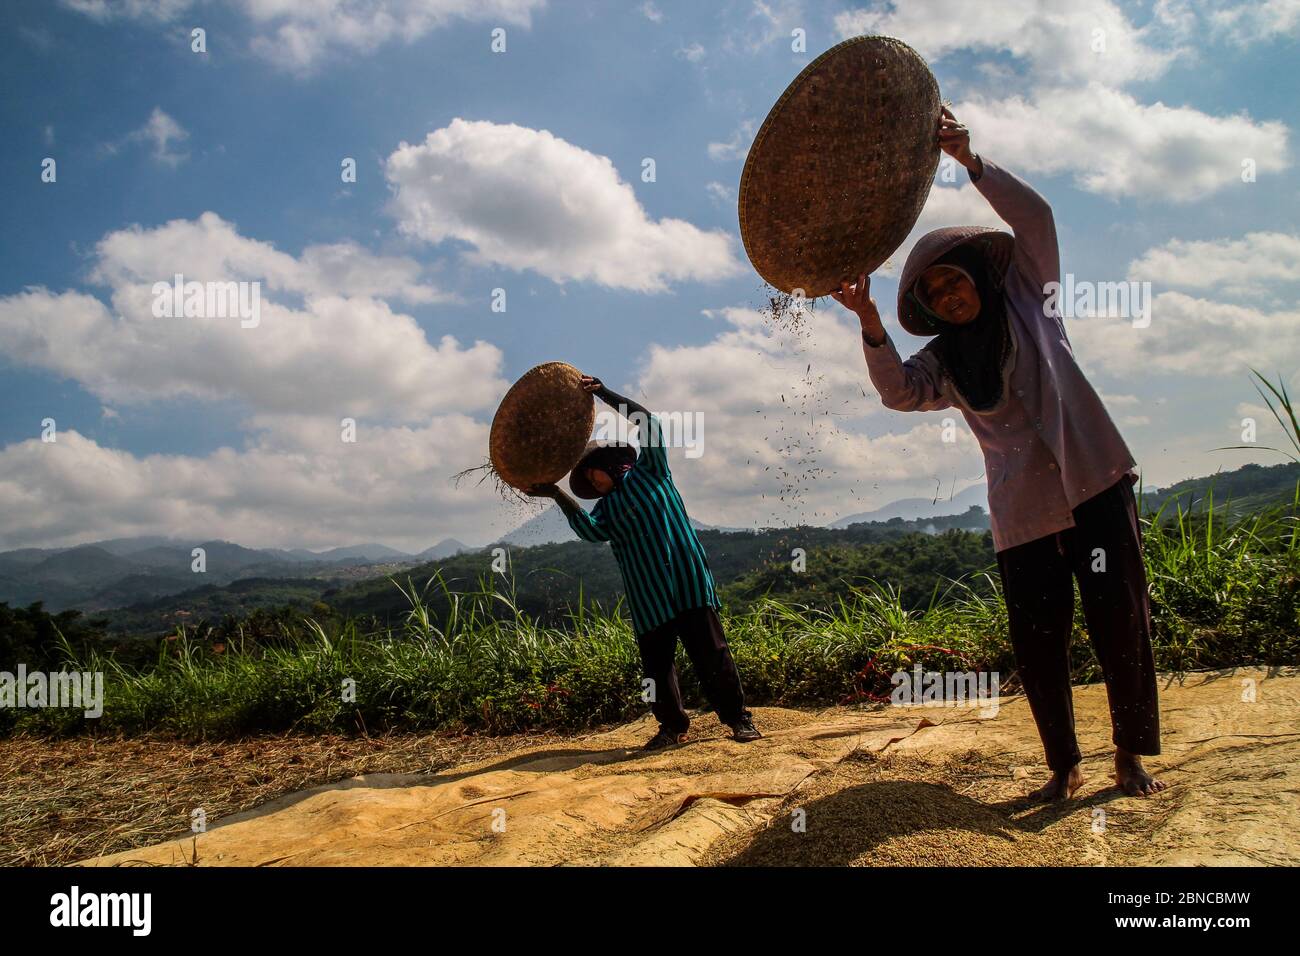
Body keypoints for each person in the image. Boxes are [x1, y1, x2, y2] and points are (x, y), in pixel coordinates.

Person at [830, 107, 1165, 800]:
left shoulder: (1029, 298)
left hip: (1094, 480)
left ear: (978, 279)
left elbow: (1036, 218)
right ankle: (1064, 766)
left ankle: (1130, 754)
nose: (951, 296)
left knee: (1121, 622)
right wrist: (867, 321)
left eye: (955, 282)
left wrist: (971, 163)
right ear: (928, 308)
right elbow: (896, 392)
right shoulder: (942, 363)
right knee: (1040, 644)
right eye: (935, 294)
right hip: (1025, 515)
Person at [527, 374, 761, 751]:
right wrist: (555, 493)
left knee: (712, 656)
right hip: (648, 599)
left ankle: (738, 719)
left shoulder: (652, 472)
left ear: (607, 463)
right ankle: (671, 728)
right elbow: (589, 531)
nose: (590, 481)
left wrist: (603, 393)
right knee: (657, 669)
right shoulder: (605, 511)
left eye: (591, 472)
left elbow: (647, 423)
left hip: (688, 584)